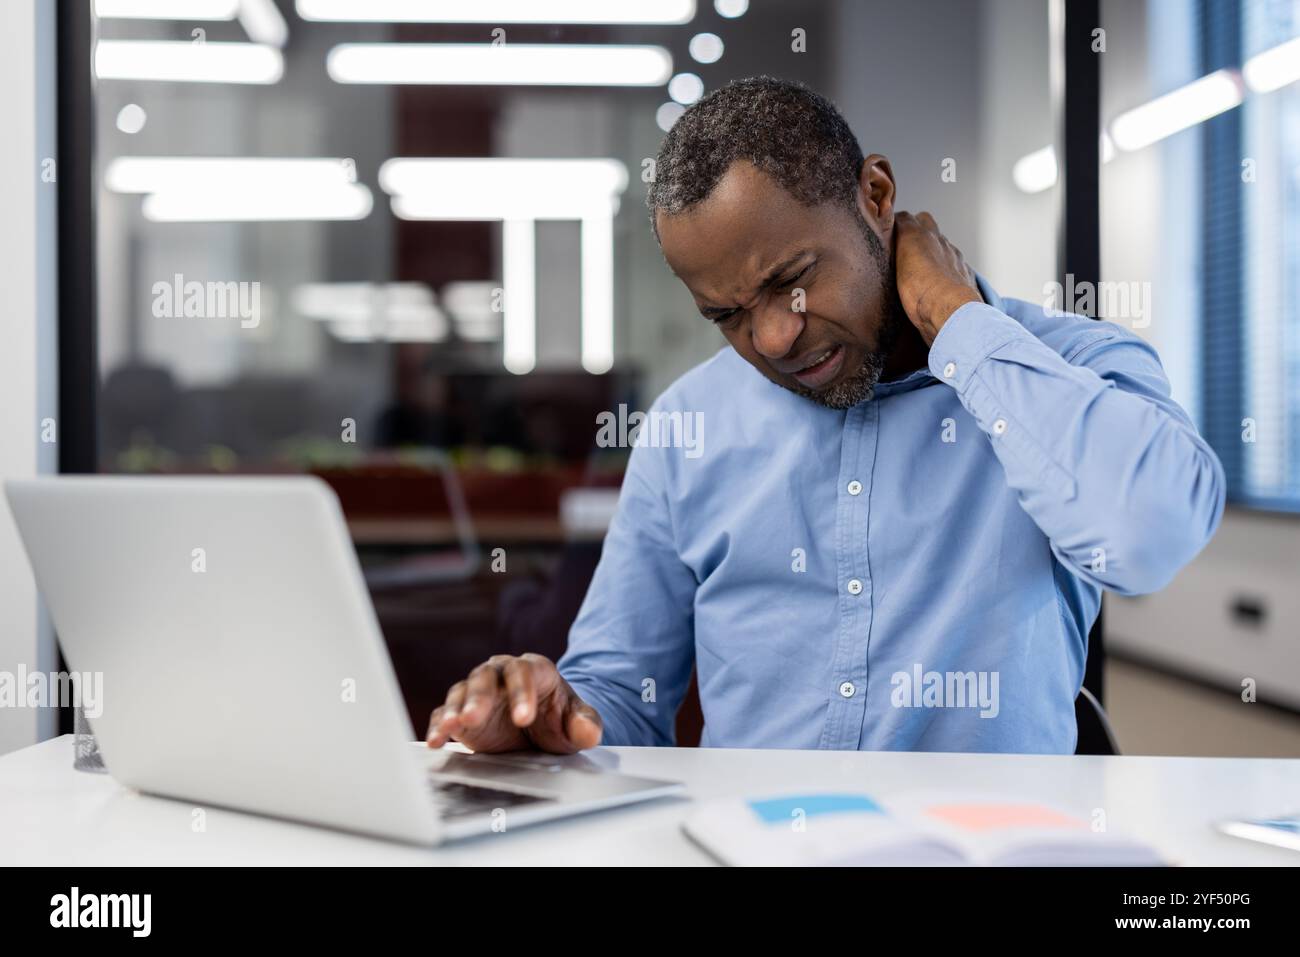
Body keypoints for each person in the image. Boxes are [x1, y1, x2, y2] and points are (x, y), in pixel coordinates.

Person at [426, 76, 1225, 755]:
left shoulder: (1068, 366)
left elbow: (1148, 538)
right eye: (727, 315)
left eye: (793, 281)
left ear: (876, 196)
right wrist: (549, 717)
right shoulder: (688, 425)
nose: (772, 337)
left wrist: (959, 323)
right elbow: (621, 695)